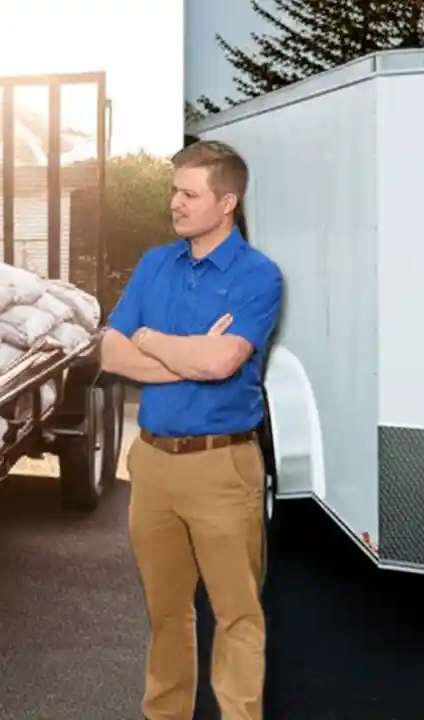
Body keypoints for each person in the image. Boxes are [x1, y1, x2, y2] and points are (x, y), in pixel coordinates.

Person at [100, 139, 283, 720]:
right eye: (173, 191)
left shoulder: (258, 276)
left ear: (226, 202)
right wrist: (183, 352)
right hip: (151, 463)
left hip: (221, 466)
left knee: (236, 614)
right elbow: (109, 351)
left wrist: (150, 339)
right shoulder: (156, 264)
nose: (174, 203)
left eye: (188, 193)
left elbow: (220, 364)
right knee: (166, 613)